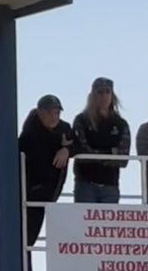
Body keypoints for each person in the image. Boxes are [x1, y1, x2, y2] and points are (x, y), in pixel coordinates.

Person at [19, 94, 74, 260]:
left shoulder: (64, 128)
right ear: (40, 113)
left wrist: (66, 150)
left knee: (32, 240)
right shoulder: (30, 134)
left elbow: (78, 144)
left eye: (57, 112)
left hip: (51, 192)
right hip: (30, 193)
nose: (54, 116)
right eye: (50, 112)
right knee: (25, 239)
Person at [71, 76, 130, 204]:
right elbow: (83, 153)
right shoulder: (81, 120)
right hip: (85, 184)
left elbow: (123, 159)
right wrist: (110, 153)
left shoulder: (121, 124)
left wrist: (97, 153)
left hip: (110, 186)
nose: (104, 96)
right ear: (93, 95)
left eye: (107, 92)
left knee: (108, 225)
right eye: (100, 92)